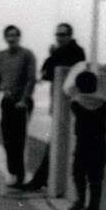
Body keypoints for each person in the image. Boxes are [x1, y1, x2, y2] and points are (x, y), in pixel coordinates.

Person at [21, 23, 88, 191]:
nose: (59, 38)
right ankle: (43, 179)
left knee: (56, 143)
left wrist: (53, 55)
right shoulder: (61, 51)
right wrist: (53, 55)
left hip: (67, 105)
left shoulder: (76, 52)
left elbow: (50, 72)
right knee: (56, 142)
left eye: (62, 35)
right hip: (60, 103)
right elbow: (45, 72)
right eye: (57, 35)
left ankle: (40, 179)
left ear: (70, 35)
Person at [0, 25, 36, 187]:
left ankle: (20, 176)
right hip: (7, 101)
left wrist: (23, 99)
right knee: (8, 139)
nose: (12, 38)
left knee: (19, 140)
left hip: (22, 102)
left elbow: (31, 79)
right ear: (5, 38)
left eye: (15, 35)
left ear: (19, 37)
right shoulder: (0, 56)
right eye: (9, 35)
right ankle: (13, 172)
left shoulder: (27, 54)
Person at [67, 70, 106, 210]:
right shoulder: (104, 103)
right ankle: (93, 209)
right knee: (95, 179)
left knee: (78, 173)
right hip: (100, 145)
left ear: (78, 86)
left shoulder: (75, 103)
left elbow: (69, 92)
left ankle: (80, 201)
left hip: (83, 145)